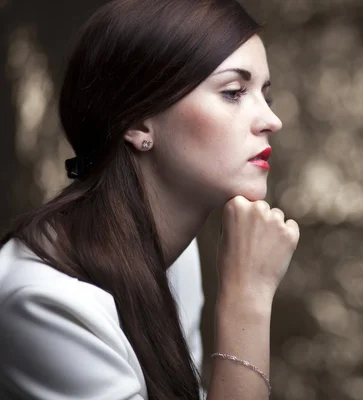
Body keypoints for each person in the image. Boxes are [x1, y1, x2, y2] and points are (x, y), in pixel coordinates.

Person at [0, 0, 300, 399]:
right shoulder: (42, 302)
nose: (271, 120)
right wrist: (249, 299)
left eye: (265, 95)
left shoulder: (179, 257)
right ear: (139, 121)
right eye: (233, 92)